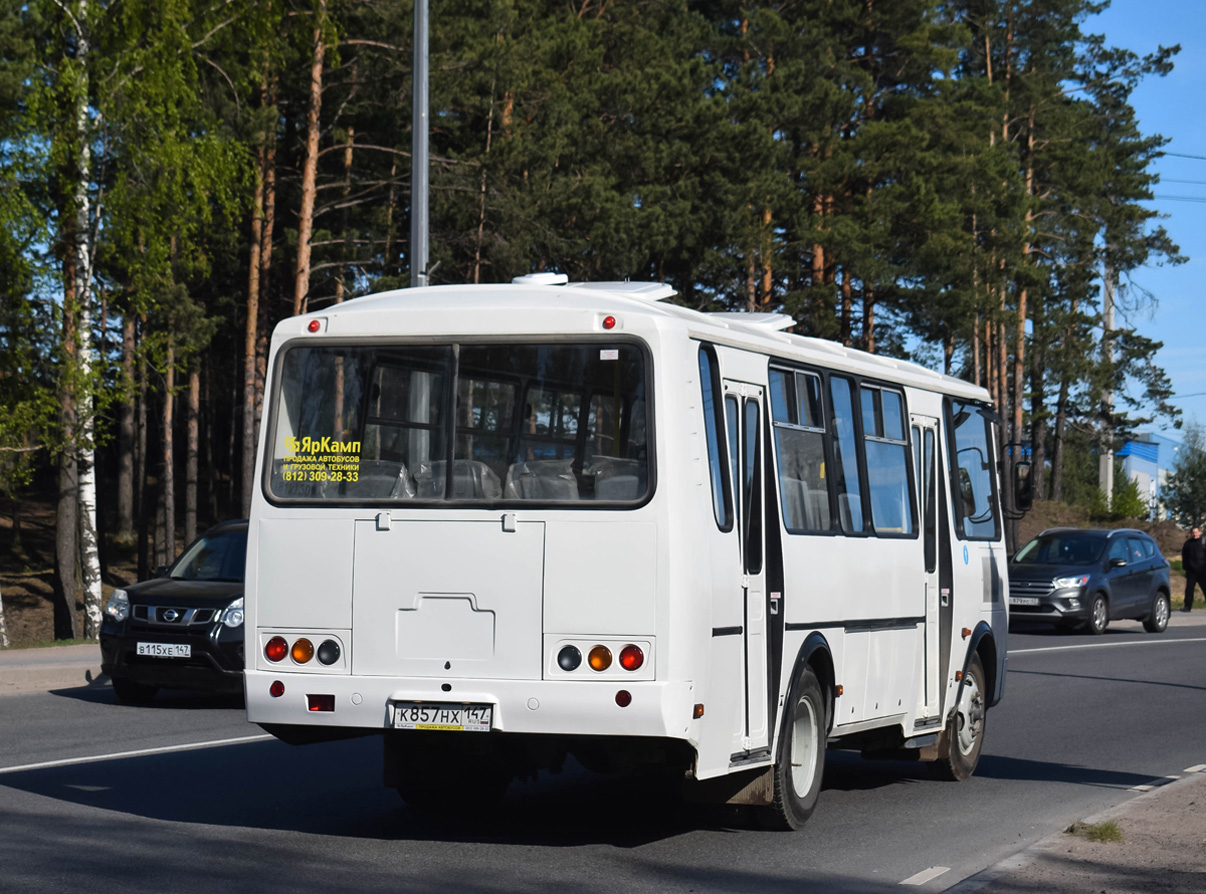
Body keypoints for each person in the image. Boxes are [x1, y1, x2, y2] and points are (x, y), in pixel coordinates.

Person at [1181, 527, 1206, 612]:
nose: (1195, 534)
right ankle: (1187, 606)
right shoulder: (1188, 543)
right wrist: (1185, 567)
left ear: (1200, 532)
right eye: (1193, 532)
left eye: (1196, 532)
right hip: (1191, 571)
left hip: (1203, 570)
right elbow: (1184, 556)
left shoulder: (1204, 542)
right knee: (1189, 589)